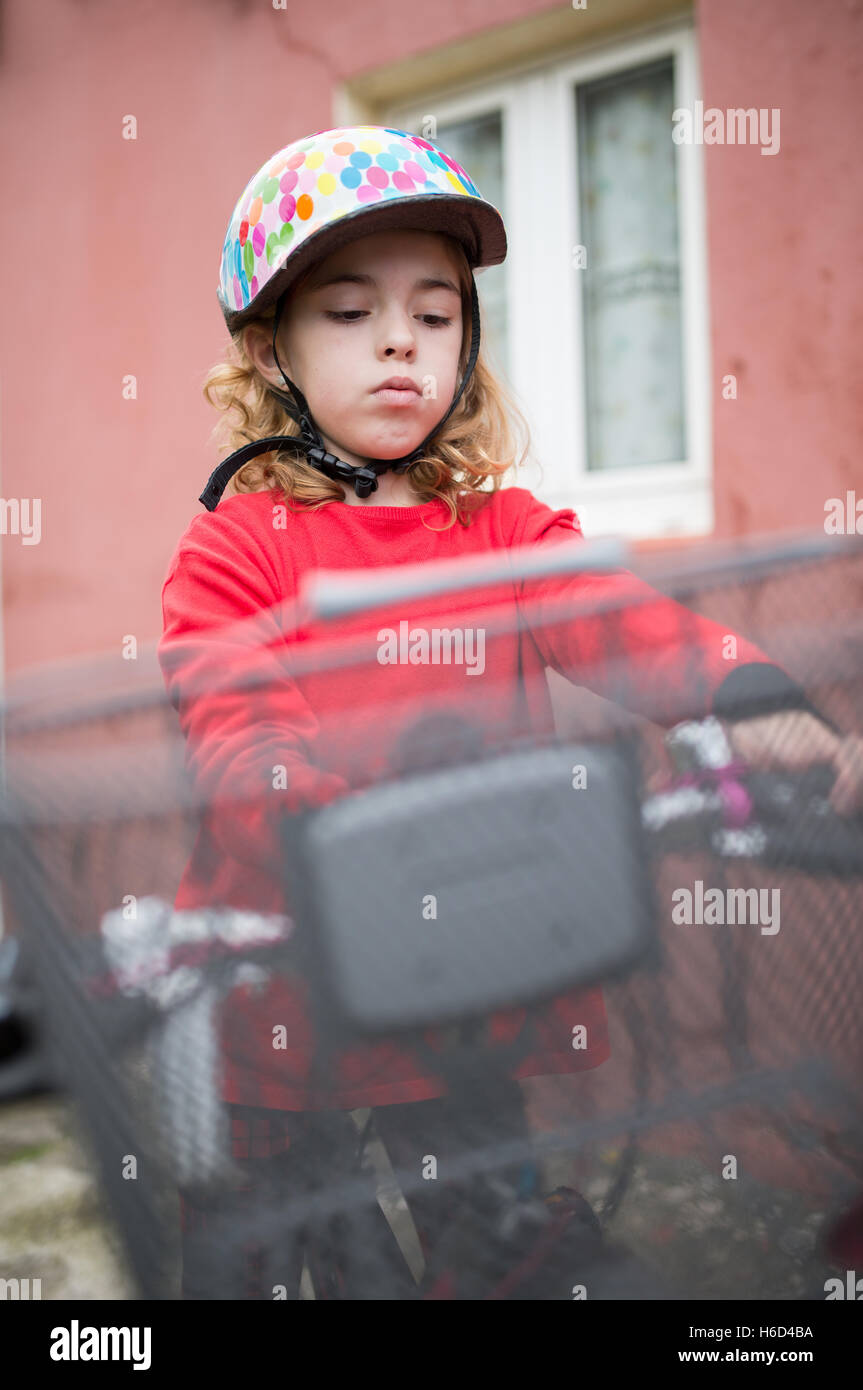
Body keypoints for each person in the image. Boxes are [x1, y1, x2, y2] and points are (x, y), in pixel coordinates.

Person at [158, 125, 863, 1298]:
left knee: (509, 1254)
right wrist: (351, 847)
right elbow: (239, 743)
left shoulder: (499, 530)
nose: (399, 340)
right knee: (294, 1267)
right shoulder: (234, 547)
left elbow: (620, 616)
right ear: (273, 354)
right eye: (348, 312)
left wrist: (756, 702)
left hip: (461, 1006)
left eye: (434, 316)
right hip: (286, 1019)